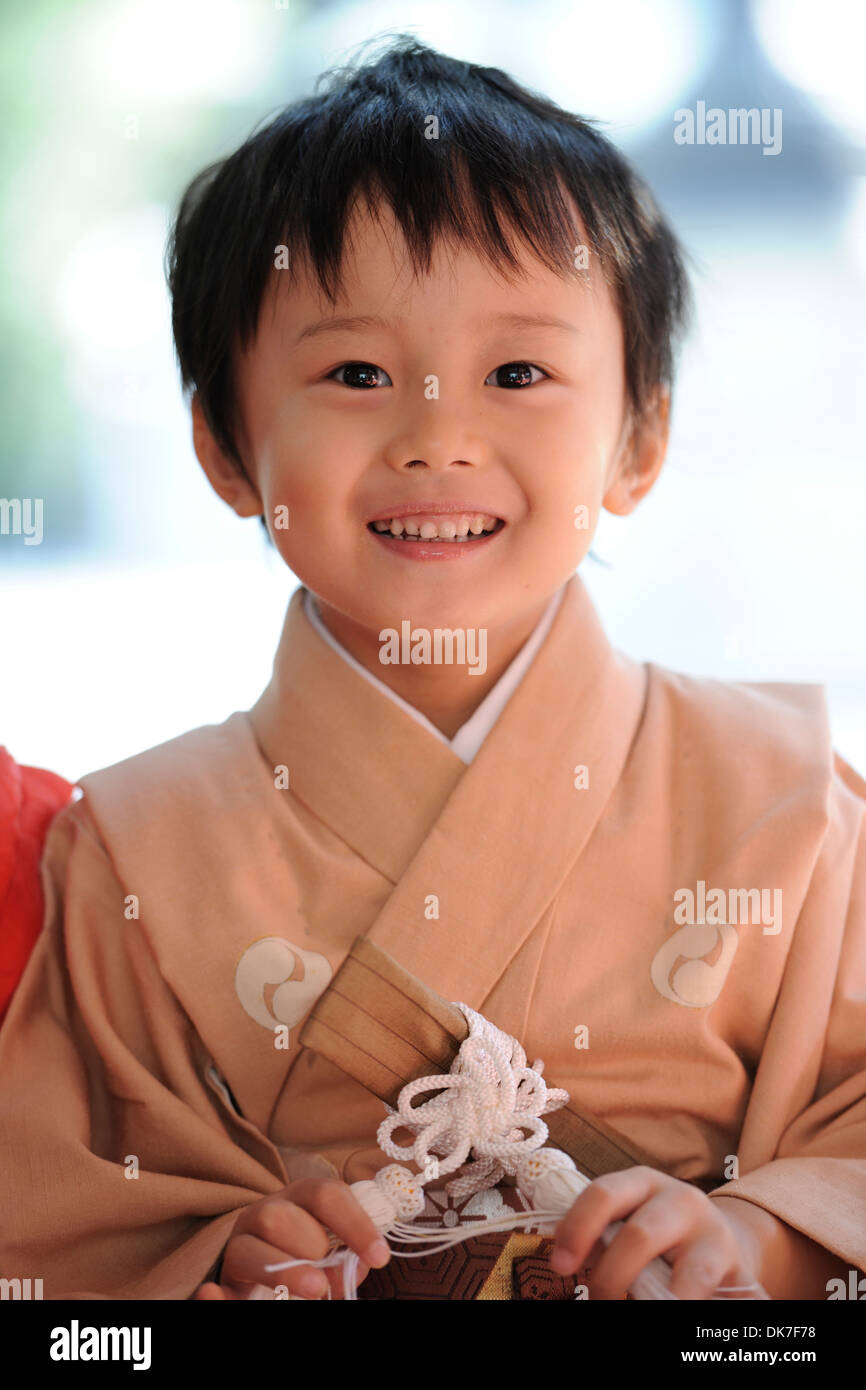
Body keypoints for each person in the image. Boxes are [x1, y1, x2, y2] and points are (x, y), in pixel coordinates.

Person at [0, 35, 863, 1302]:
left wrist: (758, 1239)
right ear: (226, 446)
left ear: (639, 439)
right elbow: (67, 1236)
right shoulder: (131, 847)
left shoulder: (785, 800)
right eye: (354, 372)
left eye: (517, 372)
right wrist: (216, 1266)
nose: (436, 437)